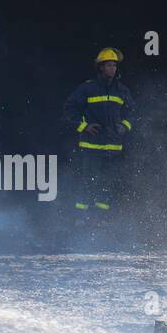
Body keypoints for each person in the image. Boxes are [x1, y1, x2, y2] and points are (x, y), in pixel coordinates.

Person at [61, 47, 134, 220]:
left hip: (113, 148)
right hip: (91, 147)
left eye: (114, 65)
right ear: (100, 67)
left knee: (107, 185)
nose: (112, 69)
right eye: (109, 65)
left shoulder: (122, 90)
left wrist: (125, 125)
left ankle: (101, 220)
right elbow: (69, 109)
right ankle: (80, 219)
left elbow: (132, 112)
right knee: (88, 183)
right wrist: (83, 126)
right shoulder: (88, 88)